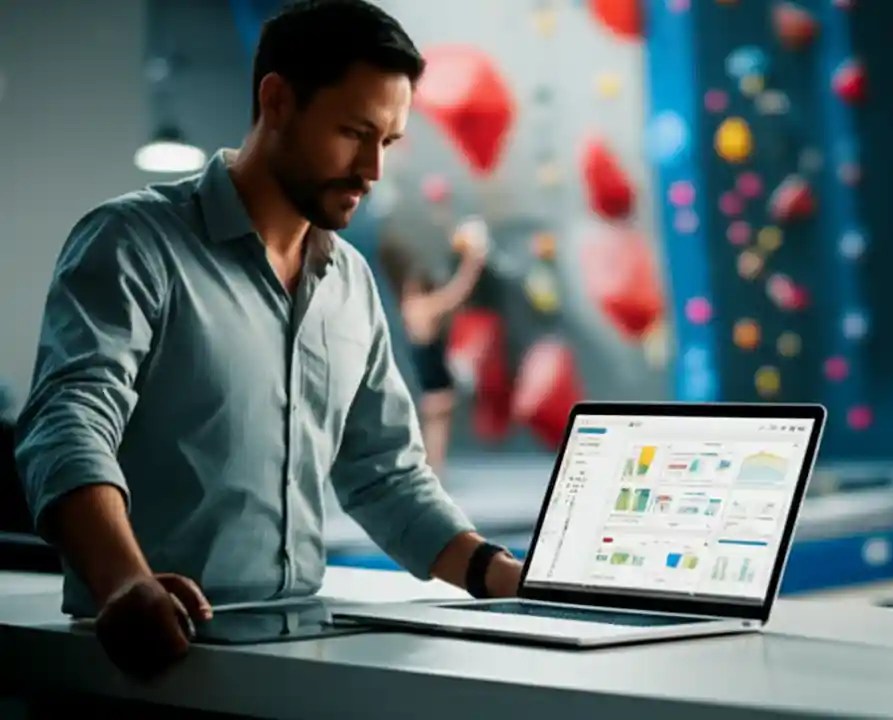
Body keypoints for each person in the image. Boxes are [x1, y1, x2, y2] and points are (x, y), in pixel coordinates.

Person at [14, 0, 522, 682]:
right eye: (353, 132)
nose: (372, 169)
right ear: (277, 101)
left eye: (389, 142)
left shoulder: (350, 283)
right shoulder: (133, 243)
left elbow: (384, 472)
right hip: (146, 663)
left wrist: (503, 575)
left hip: (301, 662)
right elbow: (65, 422)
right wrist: (124, 584)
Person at [377, 223, 487, 477]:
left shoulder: (413, 307)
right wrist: (472, 264)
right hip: (433, 378)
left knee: (437, 427)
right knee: (436, 427)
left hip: (433, 375)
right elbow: (455, 294)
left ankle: (433, 470)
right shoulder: (420, 307)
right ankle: (432, 471)